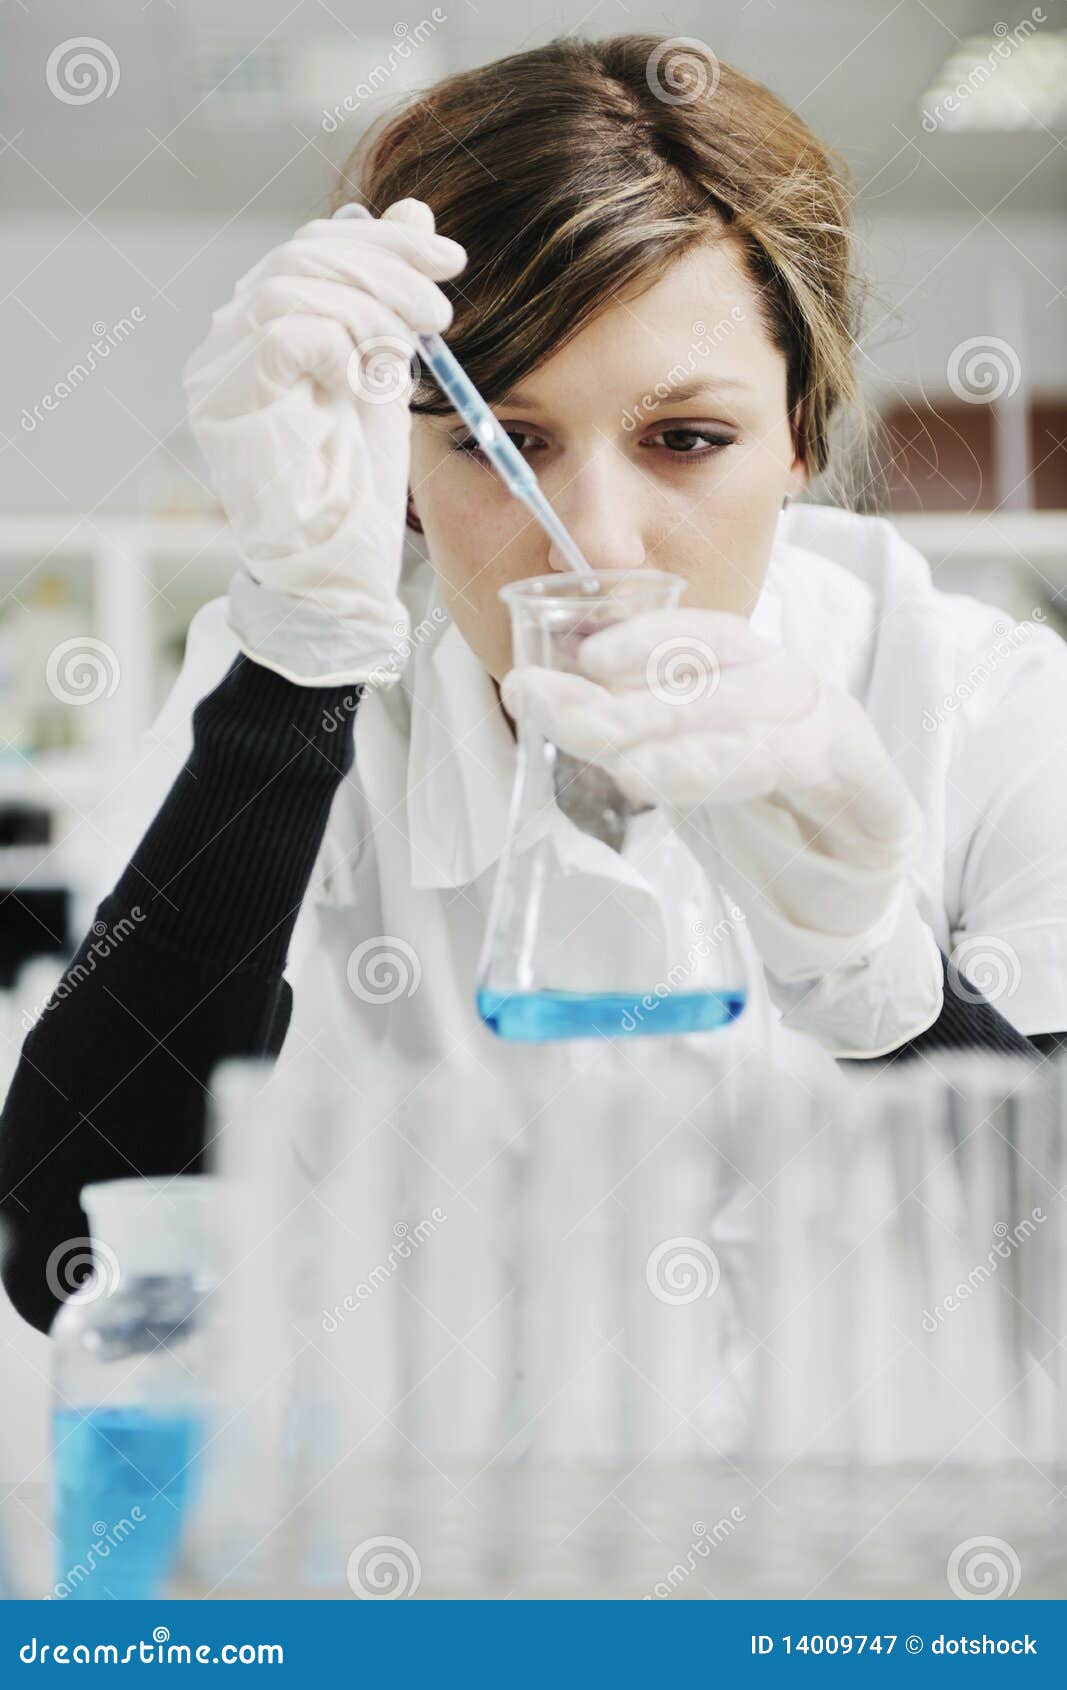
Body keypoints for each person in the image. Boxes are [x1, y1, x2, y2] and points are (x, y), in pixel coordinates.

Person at [2, 34, 1065, 1338]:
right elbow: (67, 1251)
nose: (600, 540)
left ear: (802, 432)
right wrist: (299, 667)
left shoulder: (990, 702)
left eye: (686, 439)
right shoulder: (296, 692)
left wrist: (886, 985)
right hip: (414, 1541)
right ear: (403, 460)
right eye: (502, 443)